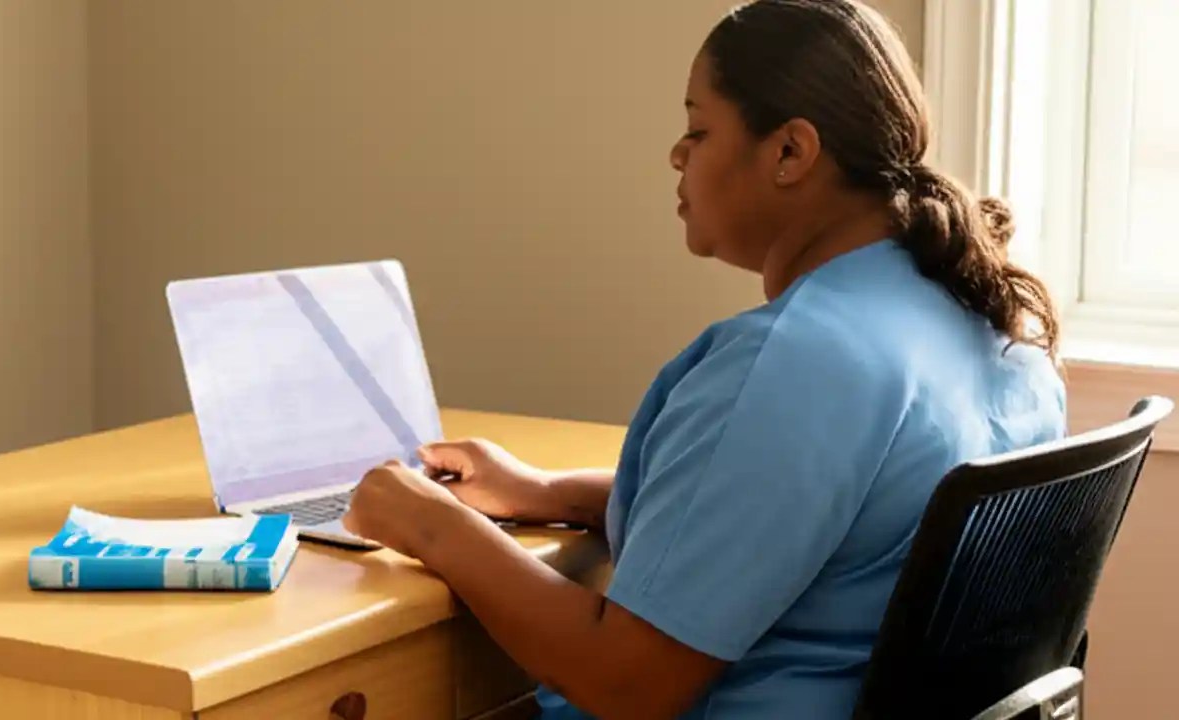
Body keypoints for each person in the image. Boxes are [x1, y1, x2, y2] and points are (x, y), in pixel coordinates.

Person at [341, 0, 1067, 717]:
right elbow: (818, 512)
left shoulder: (791, 366)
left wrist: (430, 525)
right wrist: (548, 492)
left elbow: (627, 684)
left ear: (789, 151)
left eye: (698, 128)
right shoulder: (985, 331)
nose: (677, 154)